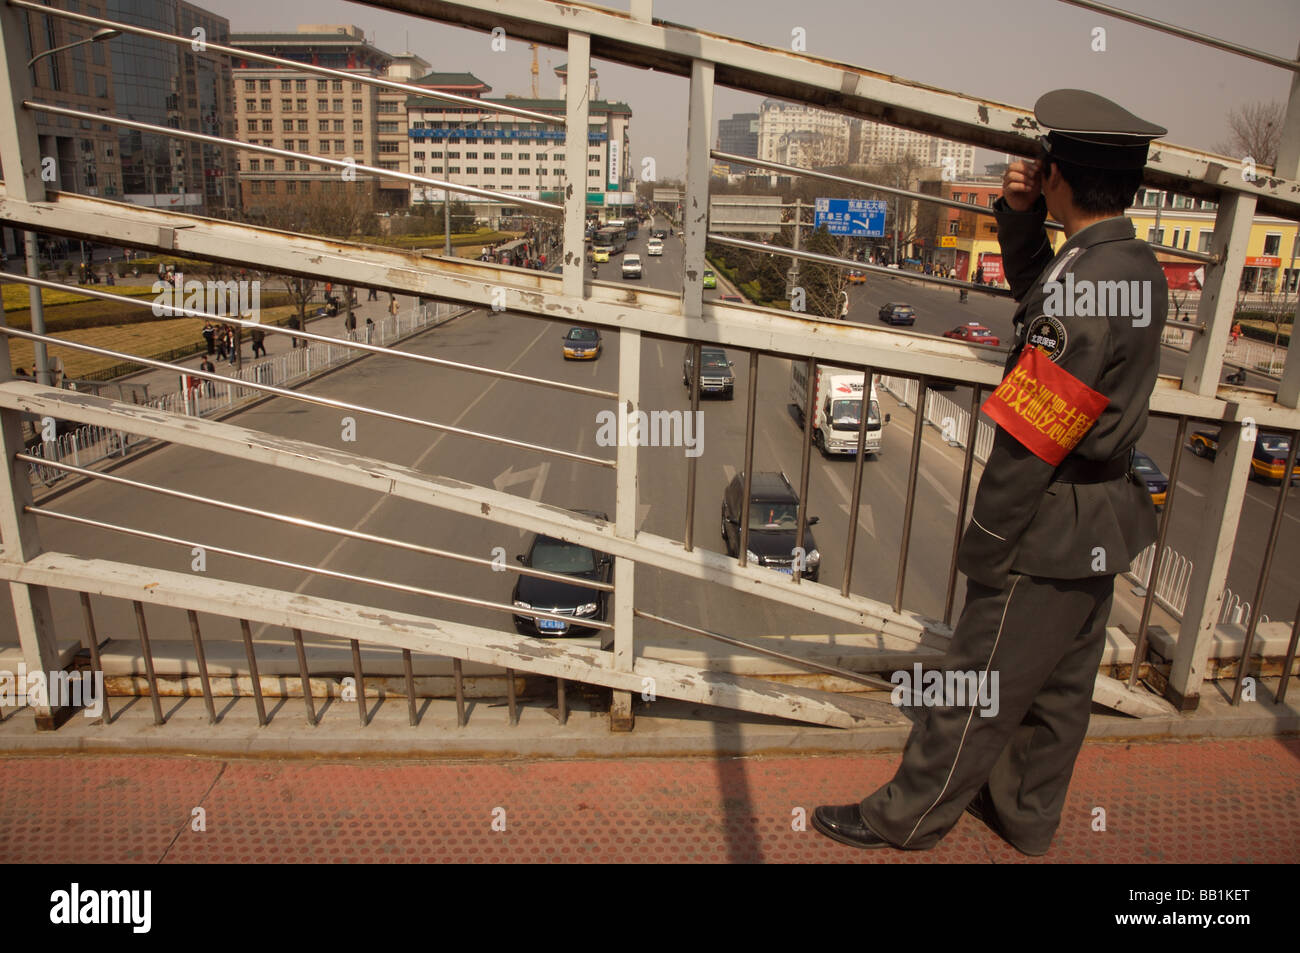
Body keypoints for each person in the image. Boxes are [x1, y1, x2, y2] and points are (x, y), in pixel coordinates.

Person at [814, 89, 1169, 856]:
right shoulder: (1132, 266)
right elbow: (1045, 291)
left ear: (1057, 175)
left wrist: (986, 538)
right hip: (1102, 520)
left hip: (1048, 524)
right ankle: (1024, 813)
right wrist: (1019, 219)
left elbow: (1031, 442)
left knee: (974, 681)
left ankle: (904, 815)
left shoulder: (1084, 285)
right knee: (1063, 687)